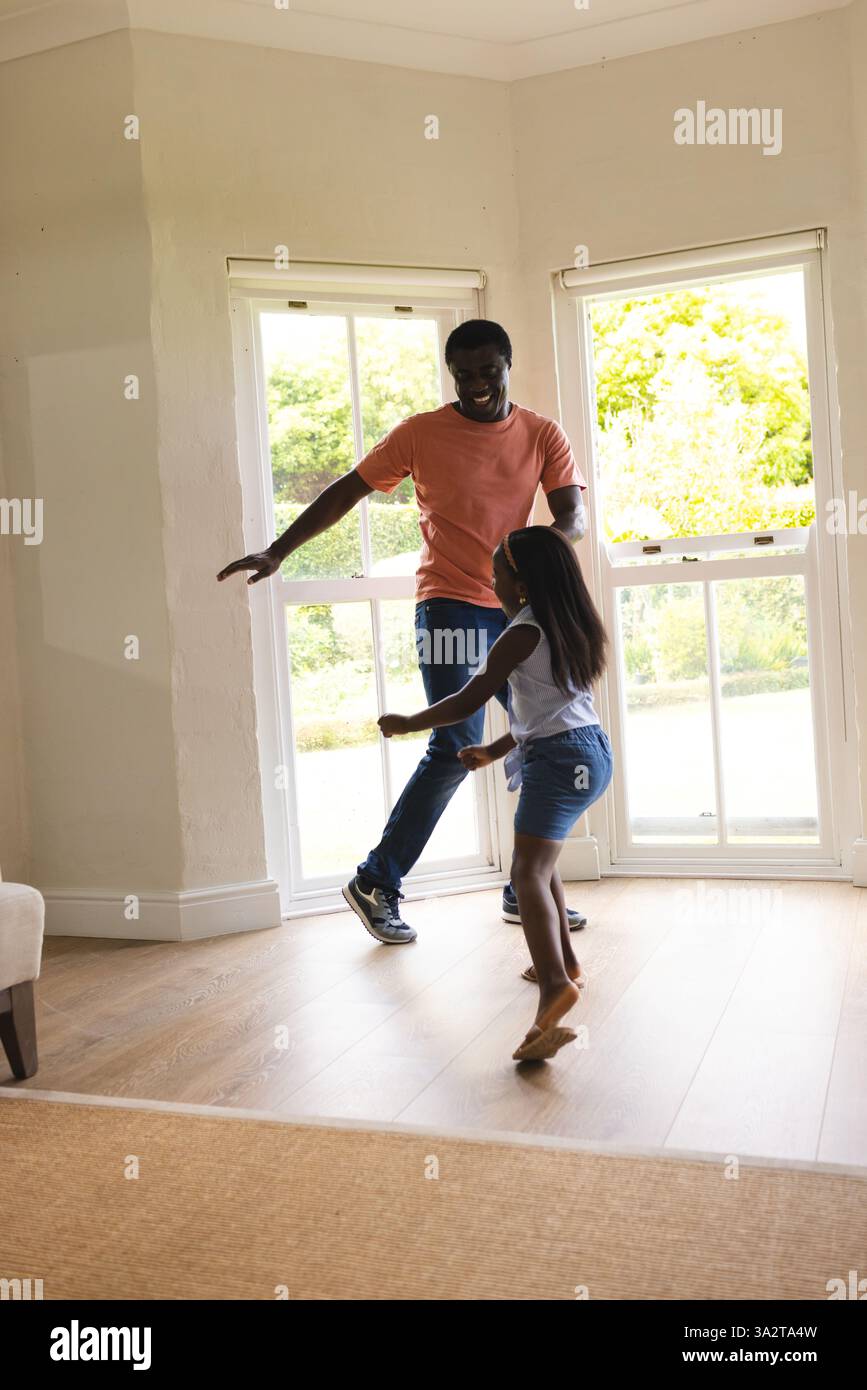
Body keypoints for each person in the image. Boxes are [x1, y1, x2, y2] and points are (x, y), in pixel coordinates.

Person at [217, 319, 589, 944]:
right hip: (448, 608)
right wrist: (279, 550)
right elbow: (347, 491)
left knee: (543, 736)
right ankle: (376, 882)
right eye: (463, 373)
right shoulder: (421, 433)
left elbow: (572, 516)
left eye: (487, 371)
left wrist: (540, 554)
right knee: (453, 745)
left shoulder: (541, 433)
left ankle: (526, 882)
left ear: (507, 364)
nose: (476, 384)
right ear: (452, 374)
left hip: (516, 608)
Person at [378, 527, 613, 1062]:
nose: (492, 584)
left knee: (524, 872)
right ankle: (568, 962)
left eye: (497, 576)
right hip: (589, 753)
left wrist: (410, 721)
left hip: (558, 759)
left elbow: (468, 698)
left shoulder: (520, 632)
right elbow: (551, 712)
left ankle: (556, 985)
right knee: (542, 862)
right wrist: (493, 750)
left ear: (522, 583)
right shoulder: (567, 625)